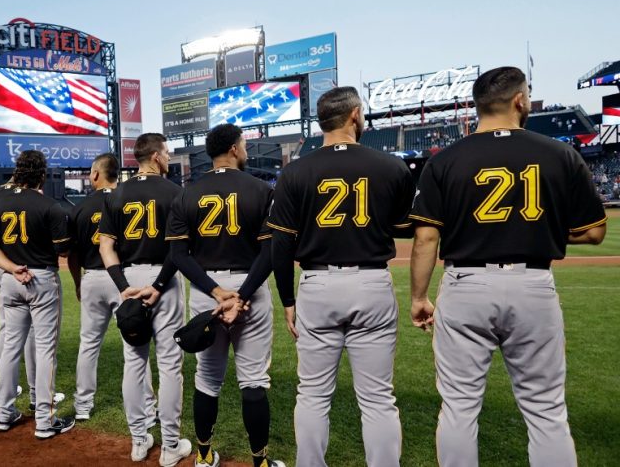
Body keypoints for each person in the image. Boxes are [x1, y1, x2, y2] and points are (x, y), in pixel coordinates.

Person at [409, 67, 608, 467]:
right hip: (533, 285)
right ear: (520, 101)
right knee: (547, 412)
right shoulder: (559, 153)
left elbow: (426, 238)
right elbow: (594, 232)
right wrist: (539, 228)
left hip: (465, 286)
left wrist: (418, 297)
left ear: (476, 105)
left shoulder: (444, 160)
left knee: (459, 409)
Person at [233, 87, 414, 467]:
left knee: (313, 394)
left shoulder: (296, 171)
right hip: (371, 282)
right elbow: (402, 226)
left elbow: (280, 243)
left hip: (317, 284)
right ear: (355, 114)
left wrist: (287, 300)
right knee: (378, 398)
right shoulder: (391, 165)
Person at [167, 124, 284, 467]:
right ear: (234, 149)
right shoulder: (262, 189)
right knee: (253, 380)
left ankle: (203, 457)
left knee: (207, 376)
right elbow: (271, 252)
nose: (245, 149)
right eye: (244, 144)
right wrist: (242, 296)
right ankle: (260, 463)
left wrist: (218, 293)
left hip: (207, 293)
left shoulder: (187, 193)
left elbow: (178, 255)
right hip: (250, 289)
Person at [97, 137, 191, 466]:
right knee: (169, 366)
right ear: (154, 156)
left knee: (134, 363)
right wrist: (160, 283)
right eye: (166, 152)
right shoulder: (173, 191)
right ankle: (169, 446)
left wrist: (123, 287)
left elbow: (105, 247)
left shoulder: (115, 193)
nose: (169, 157)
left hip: (129, 281)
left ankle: (139, 440)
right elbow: (181, 249)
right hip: (163, 279)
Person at [0, 150, 75, 439]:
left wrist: (12, 268)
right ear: (42, 175)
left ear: (17, 172)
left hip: (11, 278)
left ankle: (3, 412)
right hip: (41, 278)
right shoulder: (49, 205)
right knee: (45, 349)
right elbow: (63, 249)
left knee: (11, 347)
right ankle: (45, 422)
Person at [70, 152, 157, 426]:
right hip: (123, 278)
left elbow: (72, 256)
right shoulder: (124, 199)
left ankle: (83, 405)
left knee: (89, 344)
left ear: (96, 174)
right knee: (136, 344)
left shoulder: (80, 208)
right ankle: (149, 407)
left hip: (93, 278)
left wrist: (77, 283)